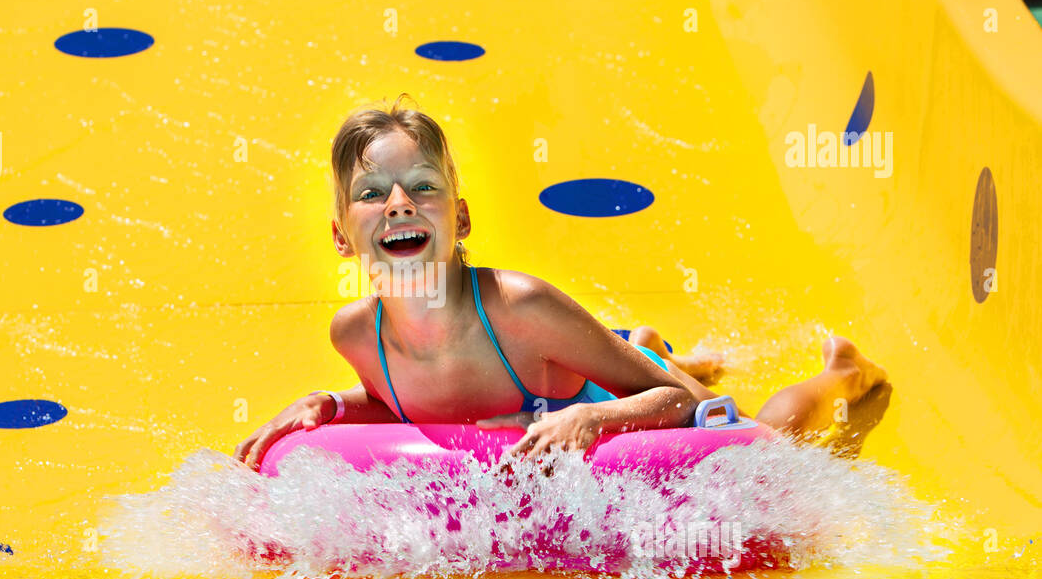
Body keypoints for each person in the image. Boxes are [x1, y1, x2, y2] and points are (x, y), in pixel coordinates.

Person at [234, 96, 888, 472]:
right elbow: (411, 402)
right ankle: (640, 344)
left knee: (768, 434)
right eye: (371, 194)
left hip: (603, 394)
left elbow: (683, 401)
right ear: (342, 237)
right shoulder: (355, 334)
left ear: (459, 217)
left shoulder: (521, 308)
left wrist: (591, 418)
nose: (399, 203)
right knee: (632, 353)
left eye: (423, 187)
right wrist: (331, 405)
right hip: (571, 364)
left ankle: (842, 373)